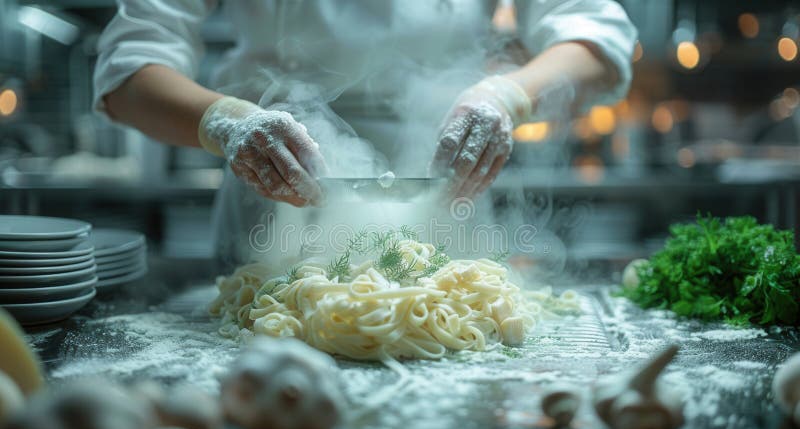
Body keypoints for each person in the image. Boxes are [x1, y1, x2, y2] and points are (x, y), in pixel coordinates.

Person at [94, 0, 636, 266]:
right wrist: (227, 121)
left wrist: (506, 96)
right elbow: (128, 68)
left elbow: (597, 37)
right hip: (277, 191)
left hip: (449, 193)